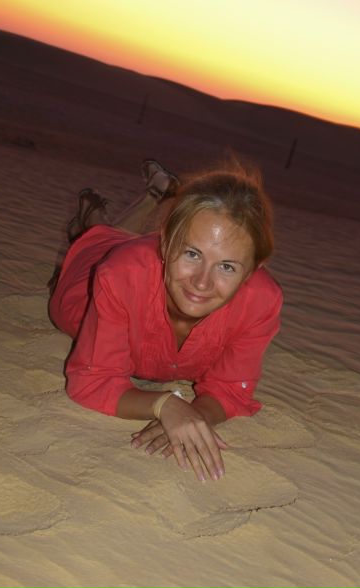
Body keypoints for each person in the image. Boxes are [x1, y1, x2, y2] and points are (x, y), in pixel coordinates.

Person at [48, 158, 283, 482]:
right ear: (166, 239)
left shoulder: (262, 300)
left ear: (253, 270)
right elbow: (92, 380)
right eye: (193, 254)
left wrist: (196, 415)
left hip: (146, 255)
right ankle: (90, 222)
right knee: (99, 242)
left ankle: (146, 206)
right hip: (91, 279)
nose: (202, 283)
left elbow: (231, 390)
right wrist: (164, 406)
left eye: (227, 266)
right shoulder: (121, 274)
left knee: (125, 243)